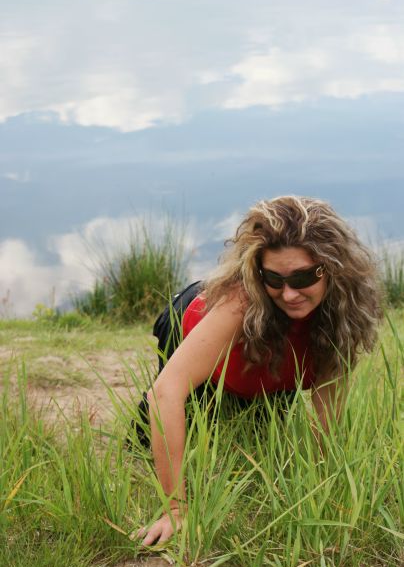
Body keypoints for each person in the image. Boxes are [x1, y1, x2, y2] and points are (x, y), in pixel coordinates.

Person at [136, 195, 383, 546]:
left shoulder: (342, 315)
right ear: (257, 272)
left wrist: (319, 487)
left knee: (257, 443)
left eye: (302, 277)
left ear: (331, 268)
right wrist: (175, 510)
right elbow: (165, 394)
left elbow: (326, 413)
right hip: (190, 327)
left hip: (265, 375)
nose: (289, 293)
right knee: (158, 436)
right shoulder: (239, 304)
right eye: (274, 278)